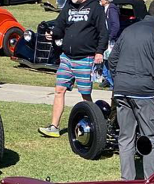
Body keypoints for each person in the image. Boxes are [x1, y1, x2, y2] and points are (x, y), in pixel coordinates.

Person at [108, 0, 154, 180]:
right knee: (149, 137)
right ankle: (149, 181)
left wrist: (119, 80)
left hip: (121, 89)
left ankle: (126, 181)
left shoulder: (128, 30)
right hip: (146, 91)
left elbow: (112, 60)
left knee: (125, 136)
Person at [38, 0, 108, 138]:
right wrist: (52, 33)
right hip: (66, 58)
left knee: (85, 94)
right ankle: (54, 127)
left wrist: (99, 52)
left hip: (85, 58)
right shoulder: (68, 6)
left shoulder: (94, 7)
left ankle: (94, 126)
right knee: (59, 90)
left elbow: (103, 32)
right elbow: (60, 26)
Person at [98, 0, 121, 87]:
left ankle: (112, 83)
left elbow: (116, 25)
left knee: (110, 60)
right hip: (106, 38)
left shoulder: (112, 9)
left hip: (111, 40)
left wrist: (110, 37)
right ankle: (107, 79)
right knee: (106, 59)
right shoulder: (104, 9)